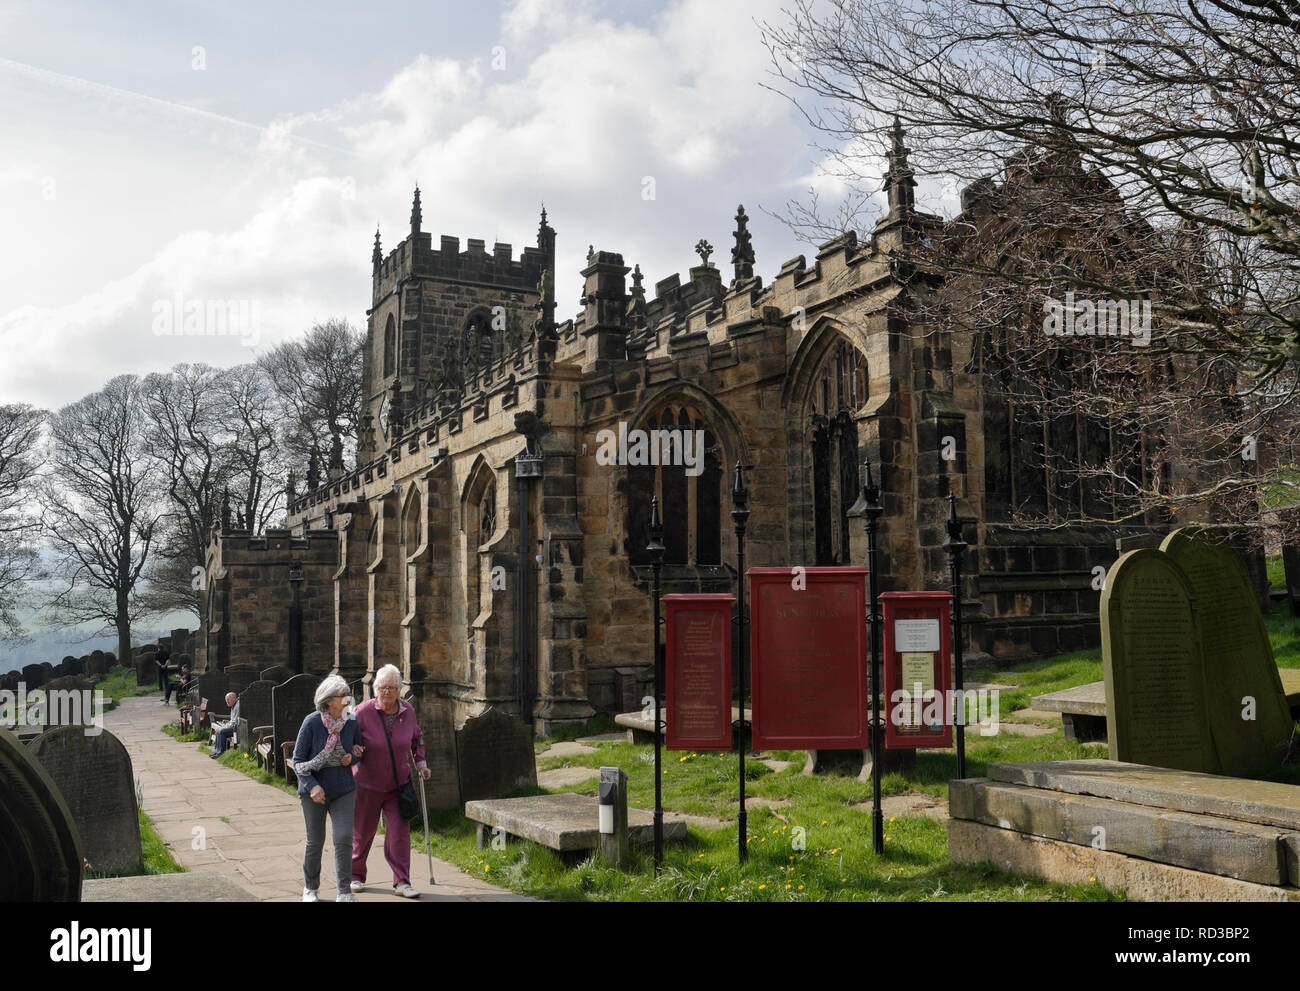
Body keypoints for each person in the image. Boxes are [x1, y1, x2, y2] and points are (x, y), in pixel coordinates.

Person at [350, 664, 430, 898]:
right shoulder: (362, 712)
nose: (387, 692)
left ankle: (402, 881)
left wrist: (421, 763)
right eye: (383, 688)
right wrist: (354, 752)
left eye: (392, 688)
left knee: (399, 834)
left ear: (399, 689)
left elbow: (417, 737)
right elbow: (349, 740)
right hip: (366, 784)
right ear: (376, 689)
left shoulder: (408, 711)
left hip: (398, 784)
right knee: (363, 833)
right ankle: (355, 875)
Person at [292, 675, 365, 903]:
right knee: (315, 840)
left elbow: (360, 748)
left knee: (343, 837)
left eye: (347, 694)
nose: (347, 699)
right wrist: (312, 787)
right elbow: (298, 761)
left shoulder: (351, 720)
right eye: (342, 695)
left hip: (343, 788)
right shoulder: (312, 722)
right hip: (314, 791)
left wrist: (352, 757)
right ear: (329, 699)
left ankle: (344, 891)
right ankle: (310, 888)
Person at [210, 692, 239, 758]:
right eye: (226, 699)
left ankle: (221, 753)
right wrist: (223, 727)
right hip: (234, 727)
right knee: (218, 731)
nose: (227, 701)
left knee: (222, 732)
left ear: (234, 699)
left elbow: (234, 722)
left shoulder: (237, 706)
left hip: (237, 729)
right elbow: (232, 721)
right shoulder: (234, 706)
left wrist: (222, 728)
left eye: (228, 699)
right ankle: (217, 752)